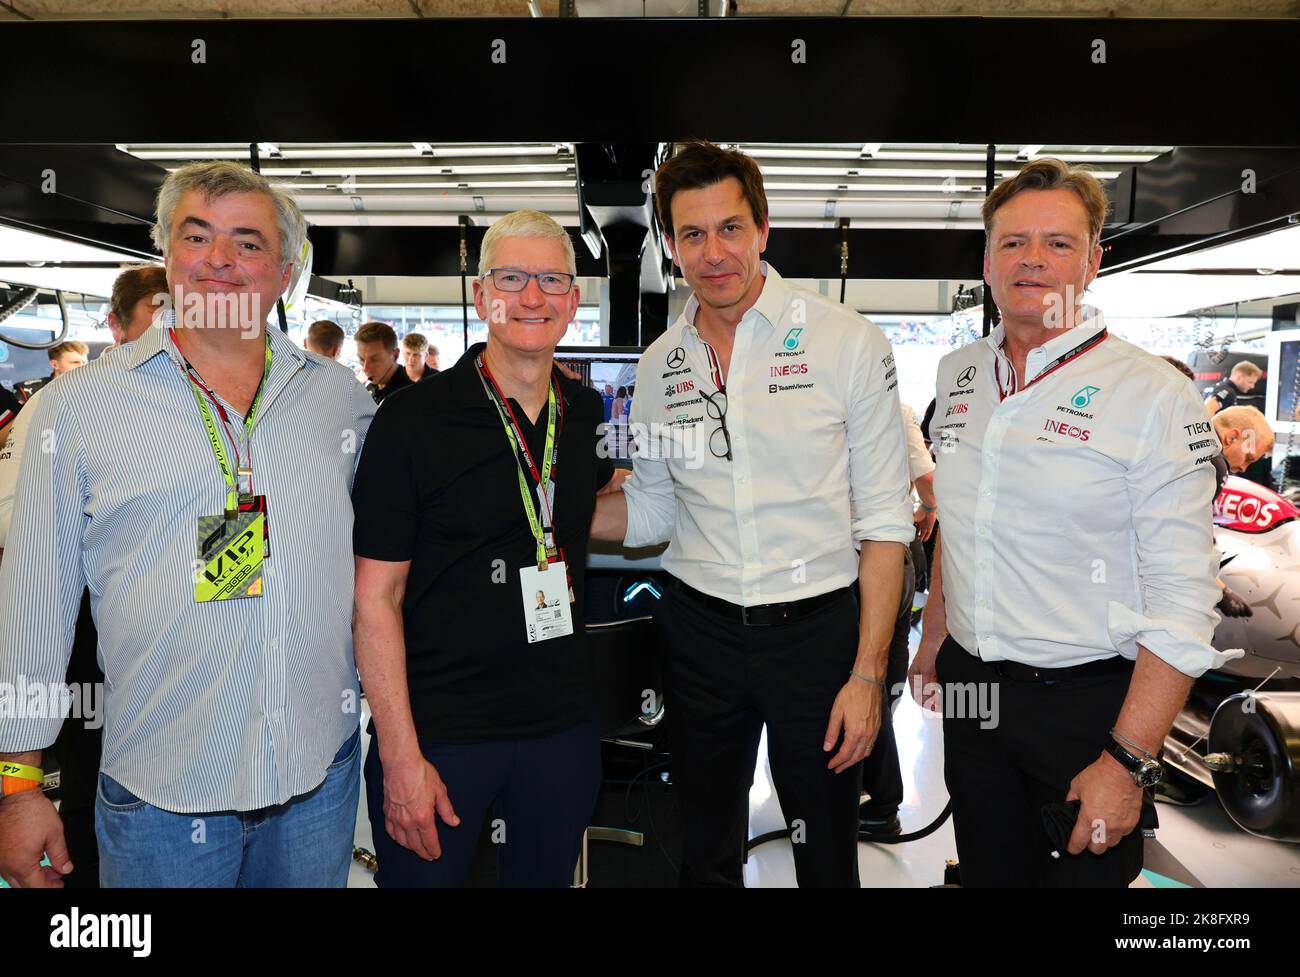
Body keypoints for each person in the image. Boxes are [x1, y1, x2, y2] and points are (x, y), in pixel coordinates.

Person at [0, 160, 375, 888]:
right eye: (197, 236)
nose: (219, 262)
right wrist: (17, 784)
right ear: (166, 254)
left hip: (316, 781)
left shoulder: (340, 403)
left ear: (286, 271)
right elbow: (34, 606)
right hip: (161, 798)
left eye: (248, 242)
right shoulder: (78, 409)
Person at [590, 141, 914, 888]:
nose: (714, 253)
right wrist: (540, 516)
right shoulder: (660, 364)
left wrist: (868, 674)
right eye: (692, 235)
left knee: (826, 849)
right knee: (704, 847)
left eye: (730, 228)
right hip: (699, 634)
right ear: (670, 246)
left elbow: (887, 525)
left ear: (764, 229)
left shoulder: (844, 341)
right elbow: (651, 510)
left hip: (819, 637)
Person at [910, 158, 1234, 887]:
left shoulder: (1151, 392)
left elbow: (1185, 600)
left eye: (1058, 243)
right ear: (987, 259)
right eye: (1013, 242)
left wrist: (1127, 759)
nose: (1032, 260)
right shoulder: (958, 373)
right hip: (975, 692)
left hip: (1088, 705)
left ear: (1093, 261)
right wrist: (934, 641)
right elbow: (960, 524)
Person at [352, 209, 616, 888]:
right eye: (512, 277)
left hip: (561, 729)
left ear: (573, 299)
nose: (533, 296)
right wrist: (402, 755)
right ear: (480, 296)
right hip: (440, 734)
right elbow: (374, 599)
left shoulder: (584, 412)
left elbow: (589, 512)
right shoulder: (411, 420)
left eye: (552, 279)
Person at [0, 264, 166, 888]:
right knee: (90, 784)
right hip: (82, 643)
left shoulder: (217, 408)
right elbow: (17, 537)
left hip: (171, 662)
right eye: (155, 319)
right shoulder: (65, 405)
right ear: (116, 327)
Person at [859, 402, 937, 835]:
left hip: (872, 562)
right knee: (877, 675)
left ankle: (881, 798)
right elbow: (928, 484)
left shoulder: (890, 410)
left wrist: (928, 506)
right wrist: (927, 508)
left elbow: (929, 481)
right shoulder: (897, 409)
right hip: (892, 556)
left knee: (865, 678)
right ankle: (875, 793)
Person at [355, 321, 412, 404]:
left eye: (374, 360)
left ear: (395, 355)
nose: (365, 368)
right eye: (361, 359)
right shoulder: (371, 386)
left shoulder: (408, 396)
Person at [16, 340, 89, 403]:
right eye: (75, 362)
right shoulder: (28, 391)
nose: (82, 367)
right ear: (54, 364)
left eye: (84, 363)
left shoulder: (92, 391)